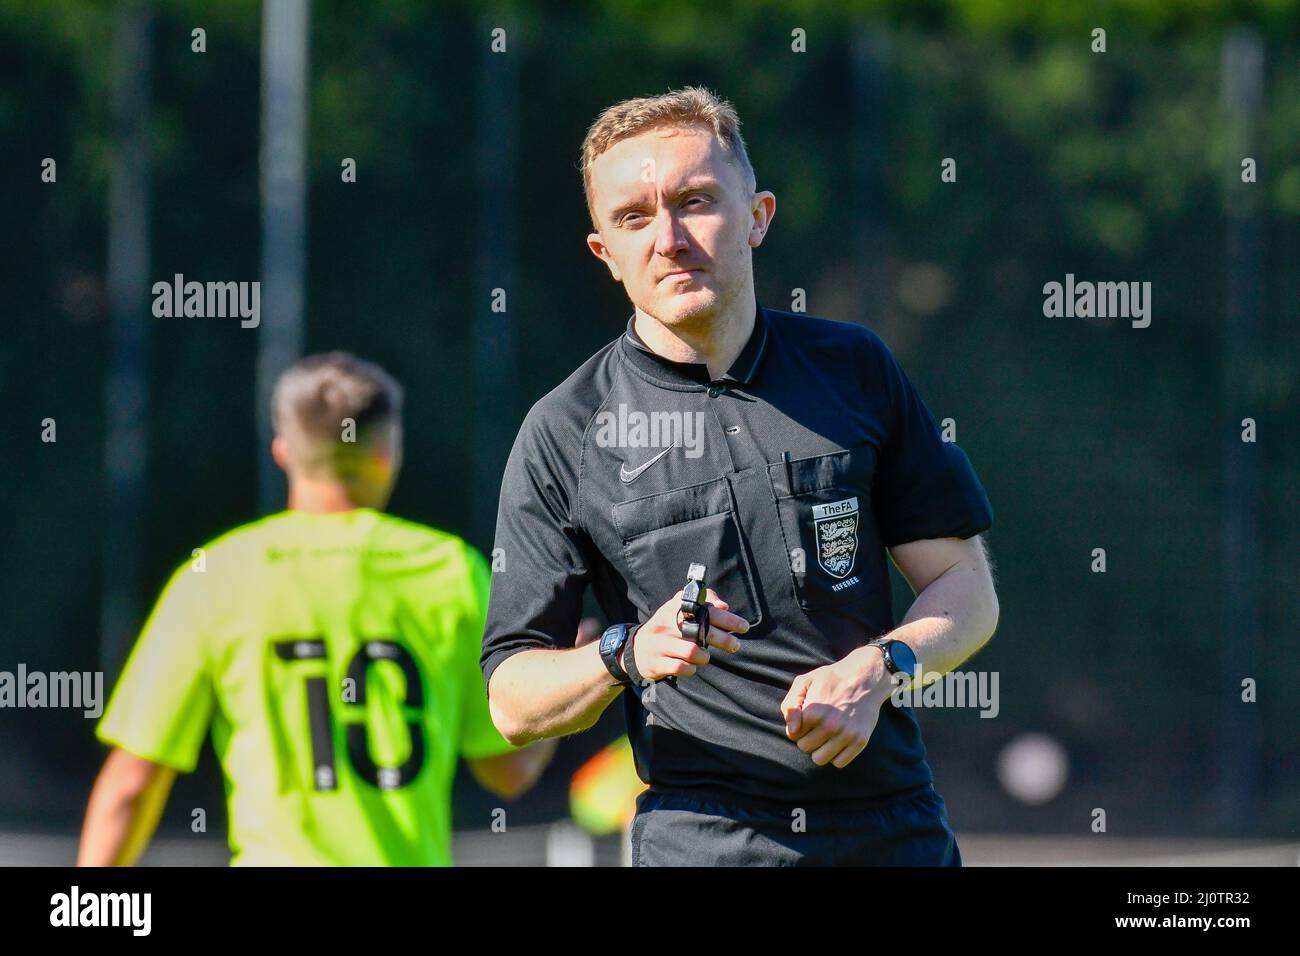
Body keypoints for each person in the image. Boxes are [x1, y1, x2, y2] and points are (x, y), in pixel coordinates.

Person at [482, 87, 1000, 866]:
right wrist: (624, 651)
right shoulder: (562, 431)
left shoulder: (854, 368)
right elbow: (512, 700)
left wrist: (884, 666)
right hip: (702, 841)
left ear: (757, 216)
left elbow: (967, 589)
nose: (668, 237)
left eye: (695, 202)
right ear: (605, 253)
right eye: (634, 217)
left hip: (895, 830)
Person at [79, 352, 557, 866]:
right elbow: (508, 771)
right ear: (385, 453)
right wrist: (565, 668)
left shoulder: (215, 574)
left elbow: (131, 784)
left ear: (283, 451)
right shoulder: (452, 570)